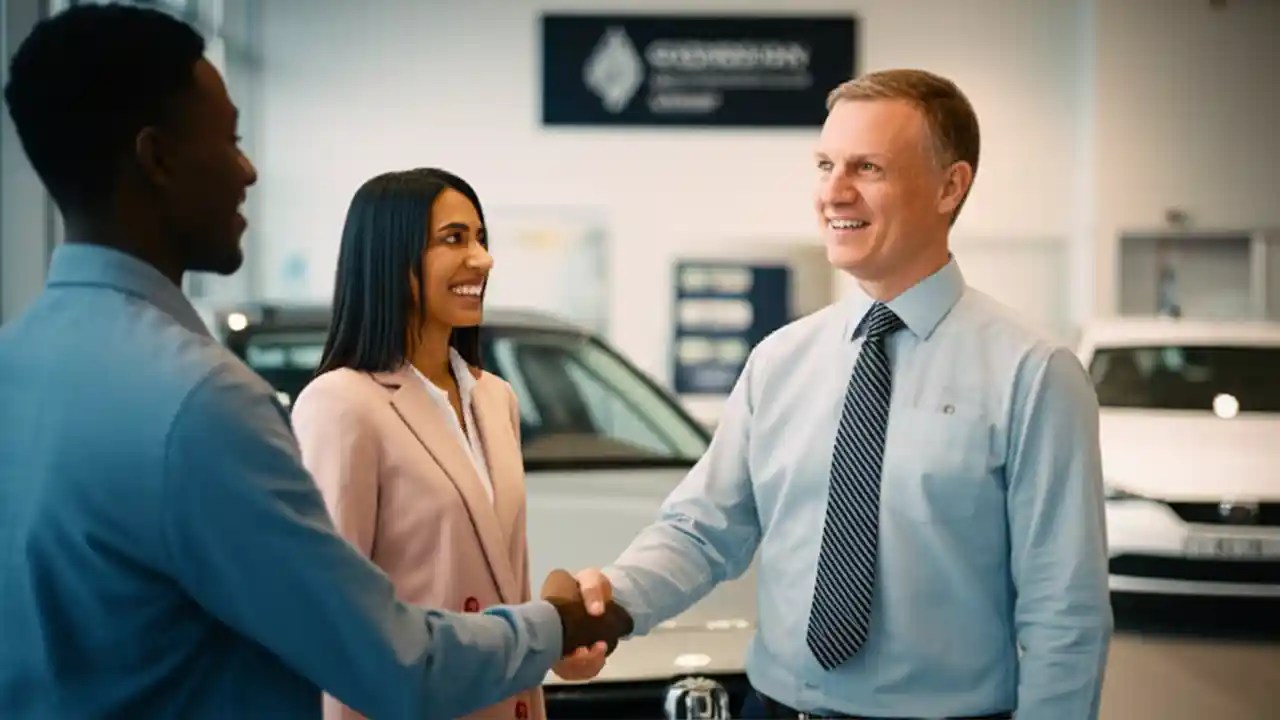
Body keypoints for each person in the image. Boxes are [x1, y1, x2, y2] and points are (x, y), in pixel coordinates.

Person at [0, 5, 629, 719]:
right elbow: (382, 658)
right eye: (230, 141)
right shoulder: (204, 400)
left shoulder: (16, 367)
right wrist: (554, 622)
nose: (248, 169)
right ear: (158, 158)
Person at [572, 68, 1113, 719]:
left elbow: (1065, 613)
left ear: (951, 186)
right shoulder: (780, 361)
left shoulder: (1033, 374)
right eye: (825, 164)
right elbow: (704, 531)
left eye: (868, 168)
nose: (833, 191)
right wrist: (613, 603)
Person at [291, 168, 608, 720]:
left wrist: (556, 635)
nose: (482, 260)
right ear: (392, 255)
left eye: (481, 239)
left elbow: (496, 585)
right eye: (455, 239)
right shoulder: (341, 404)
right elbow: (333, 622)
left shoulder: (495, 399)